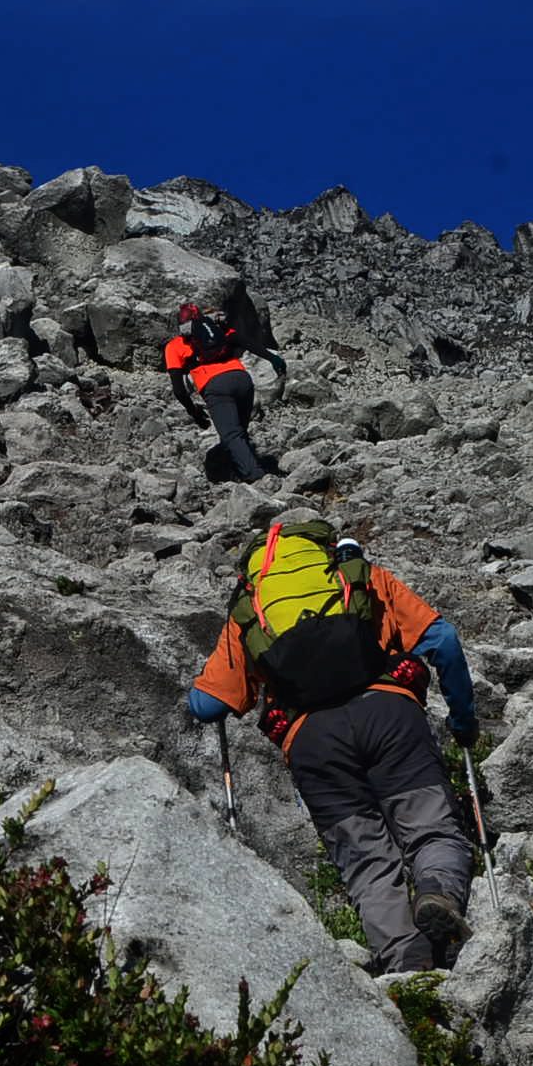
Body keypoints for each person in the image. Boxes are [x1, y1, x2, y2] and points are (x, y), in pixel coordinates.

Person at [184, 520, 481, 972]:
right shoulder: (359, 579)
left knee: (367, 864)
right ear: (321, 550)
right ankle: (437, 891)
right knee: (433, 831)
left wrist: (197, 691)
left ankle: (411, 969)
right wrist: (463, 723)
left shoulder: (250, 611)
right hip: (390, 717)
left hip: (313, 743)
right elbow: (444, 640)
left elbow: (208, 706)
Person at [164, 303, 281, 484]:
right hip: (243, 380)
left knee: (231, 435)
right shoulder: (218, 331)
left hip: (217, 388)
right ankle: (240, 470)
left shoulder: (175, 346)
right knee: (239, 433)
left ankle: (257, 480)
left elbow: (179, 390)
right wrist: (273, 358)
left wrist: (194, 412)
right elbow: (247, 342)